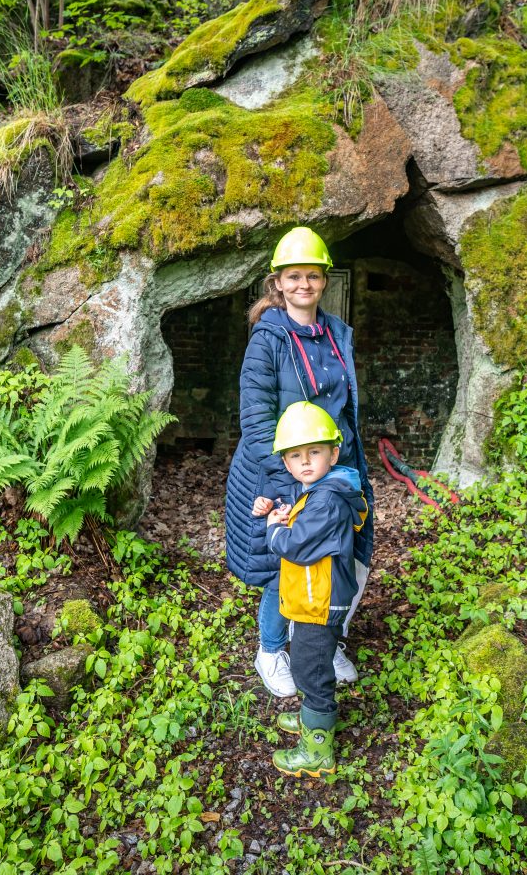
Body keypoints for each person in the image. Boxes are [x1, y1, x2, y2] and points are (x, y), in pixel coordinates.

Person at [225, 226, 373, 697]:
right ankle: (270, 652)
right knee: (284, 565)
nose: (303, 284)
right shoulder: (267, 340)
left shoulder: (335, 334)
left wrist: (352, 473)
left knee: (337, 559)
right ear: (279, 282)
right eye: (293, 277)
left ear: (324, 280)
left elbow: (345, 407)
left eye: (312, 275)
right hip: (285, 471)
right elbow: (255, 420)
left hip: (334, 468)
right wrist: (287, 483)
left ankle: (323, 644)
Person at [258, 401, 368, 777]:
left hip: (319, 602)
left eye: (315, 452)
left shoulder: (327, 500)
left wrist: (276, 528)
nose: (305, 462)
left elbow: (297, 546)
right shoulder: (320, 492)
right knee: (308, 664)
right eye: (296, 456)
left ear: (333, 453)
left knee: (312, 670)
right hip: (315, 598)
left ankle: (318, 751)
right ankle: (312, 718)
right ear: (287, 463)